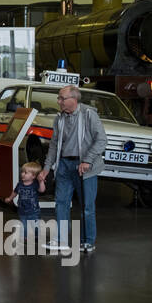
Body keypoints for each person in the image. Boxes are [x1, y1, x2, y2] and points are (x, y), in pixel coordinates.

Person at [38, 84, 106, 254]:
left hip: (85, 167)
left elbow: (102, 140)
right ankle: (60, 240)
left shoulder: (89, 114)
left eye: (62, 98)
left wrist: (88, 161)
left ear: (73, 100)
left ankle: (87, 241)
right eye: (59, 98)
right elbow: (54, 145)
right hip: (64, 166)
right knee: (61, 203)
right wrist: (47, 168)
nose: (58, 101)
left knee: (87, 206)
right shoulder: (59, 118)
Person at [10, 160, 45, 247]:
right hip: (22, 210)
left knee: (35, 225)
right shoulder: (20, 184)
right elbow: (15, 192)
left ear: (33, 176)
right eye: (22, 172)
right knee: (23, 225)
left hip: (34, 210)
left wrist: (41, 182)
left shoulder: (35, 184)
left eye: (26, 173)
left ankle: (37, 235)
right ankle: (24, 237)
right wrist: (10, 198)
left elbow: (42, 190)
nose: (22, 174)